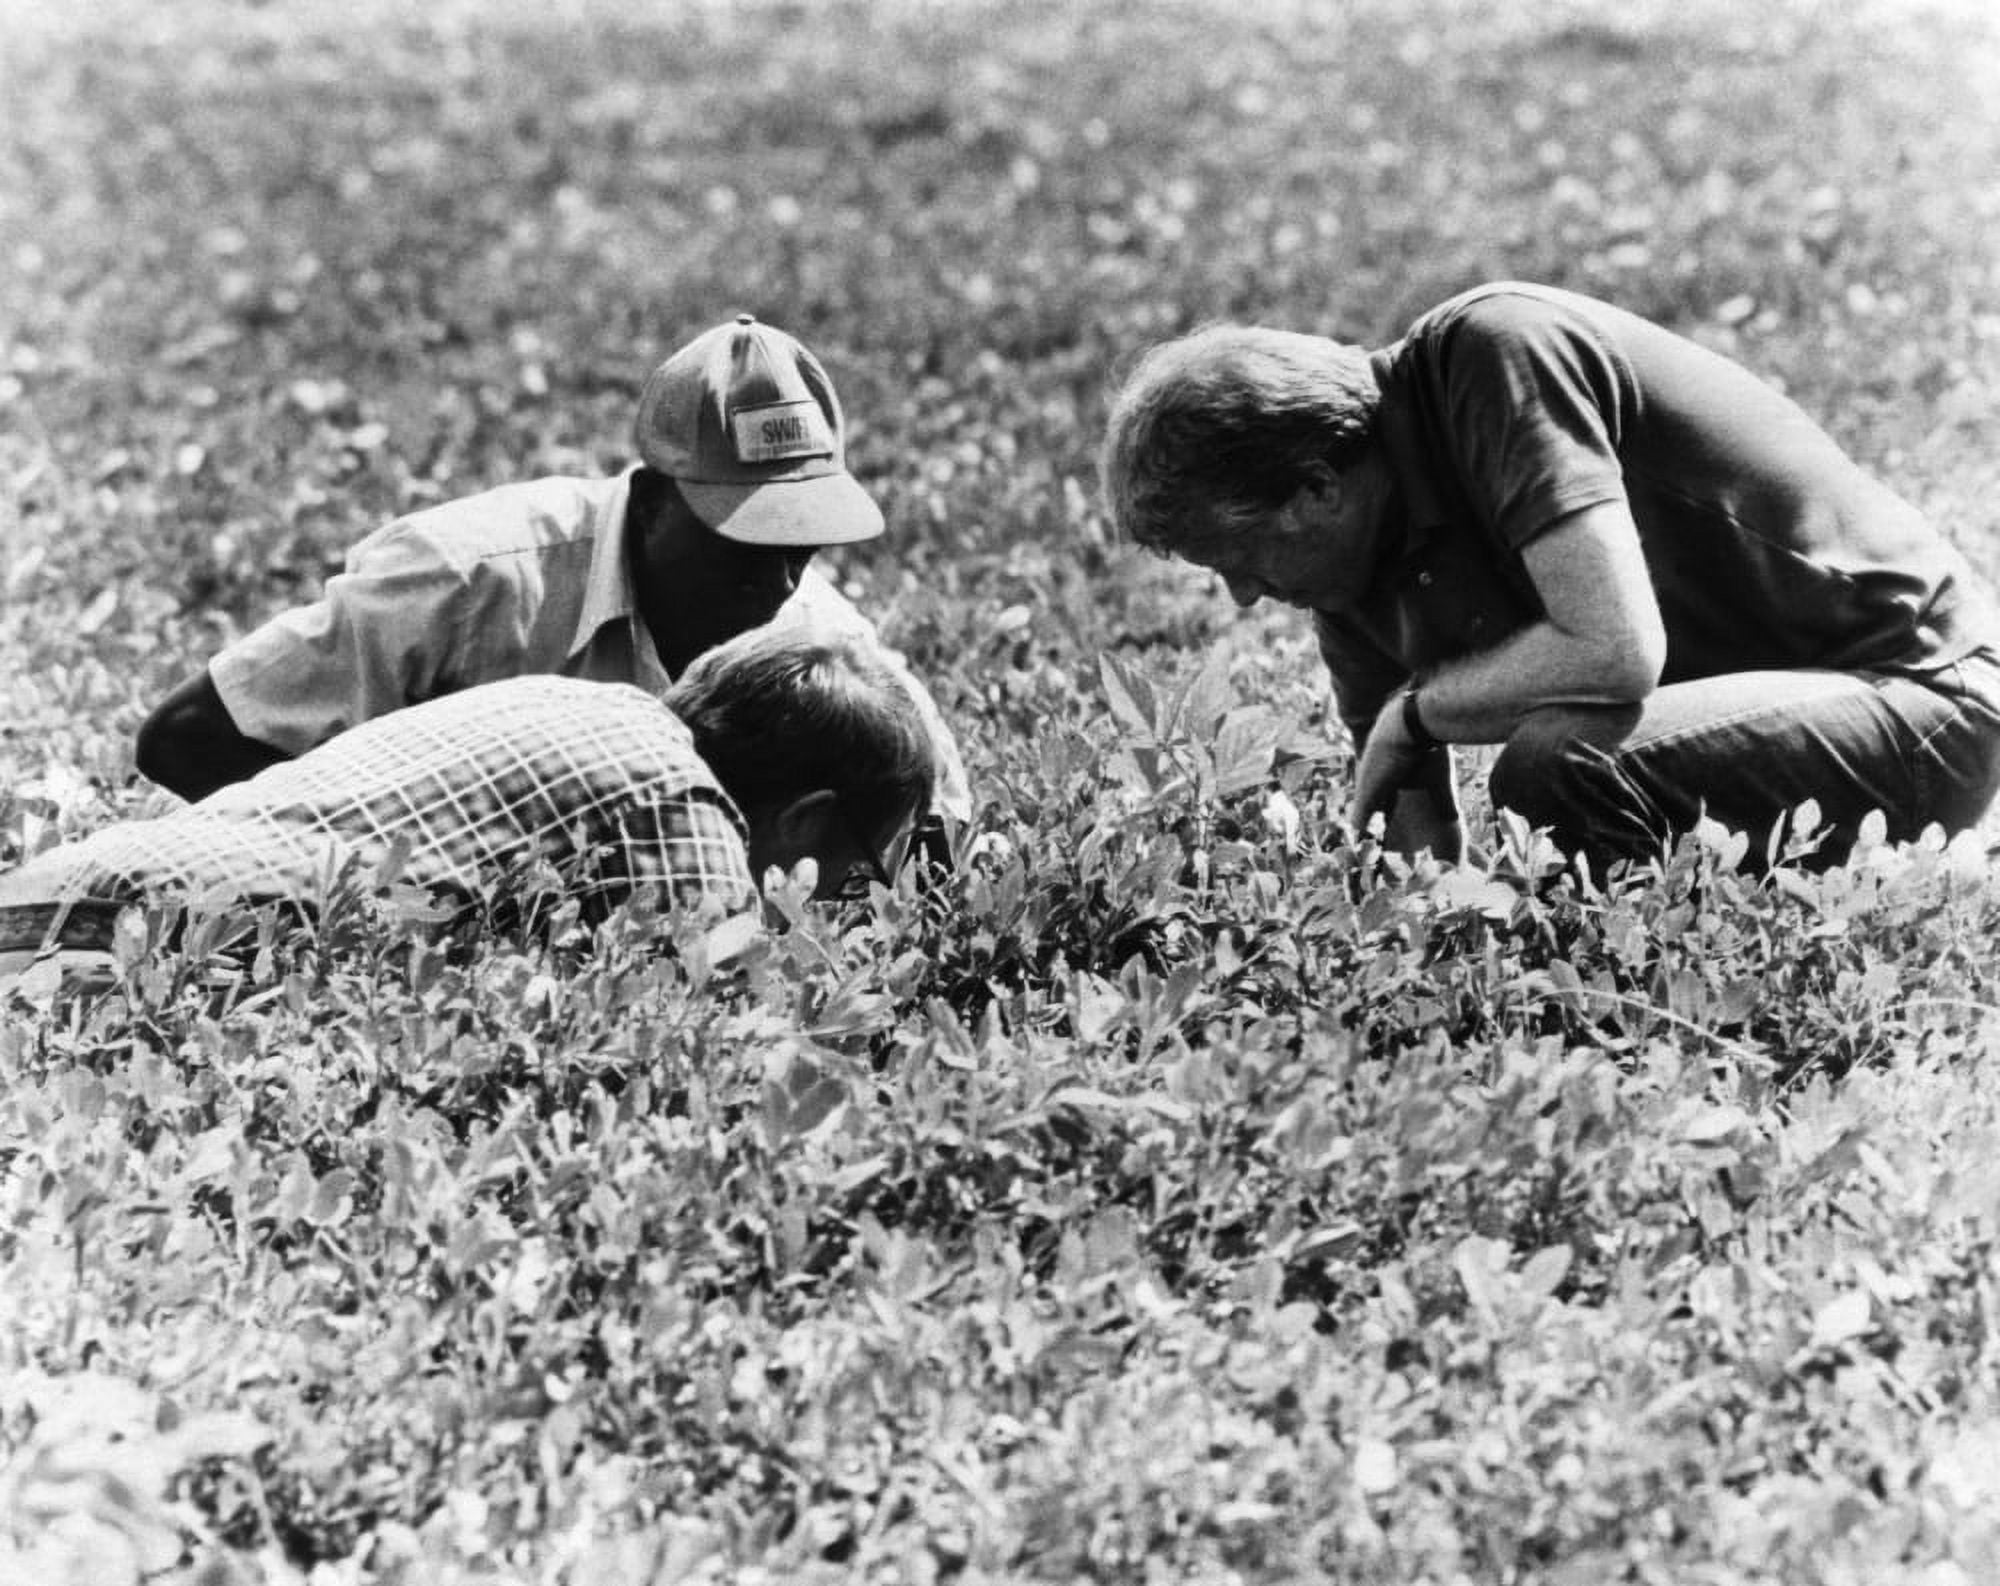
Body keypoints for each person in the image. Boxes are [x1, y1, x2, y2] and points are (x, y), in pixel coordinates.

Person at [1099, 281, 2000, 872]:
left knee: (1554, 772)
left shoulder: (1491, 357)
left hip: (1927, 692)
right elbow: (1411, 836)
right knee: (1559, 780)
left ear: (1317, 488)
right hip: (1802, 716)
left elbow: (1613, 650)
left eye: (1240, 560)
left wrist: (1418, 714)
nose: (1245, 595)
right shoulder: (1349, 563)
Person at [133, 313, 971, 829]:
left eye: (802, 544)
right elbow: (181, 739)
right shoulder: (466, 577)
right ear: (649, 501)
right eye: (739, 543)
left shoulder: (819, 637)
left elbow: (944, 825)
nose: (779, 580)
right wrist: (389, 855)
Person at [0, 625, 935, 976]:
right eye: (859, 869)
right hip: (110, 961)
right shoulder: (684, 802)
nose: (841, 896)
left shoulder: (577, 701)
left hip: (55, 899)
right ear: (809, 820)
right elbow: (710, 1028)